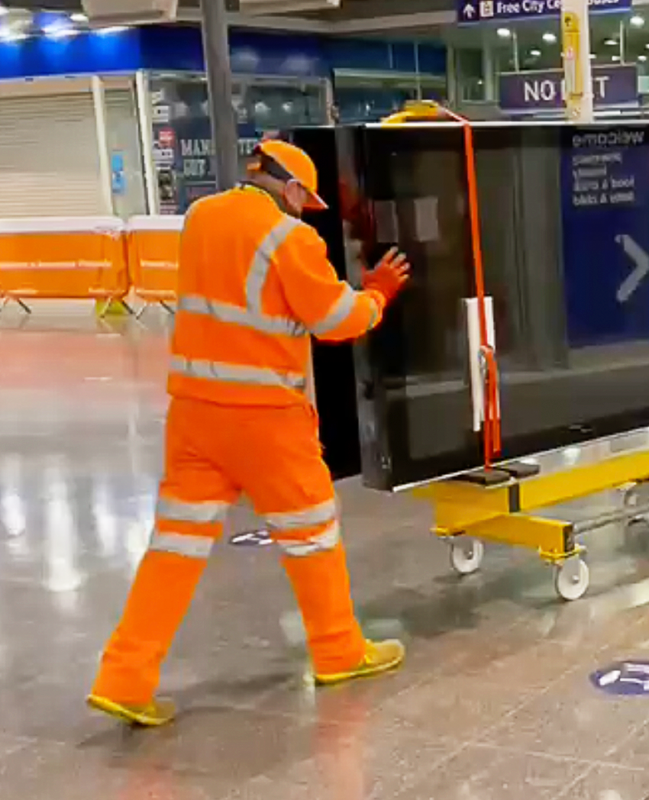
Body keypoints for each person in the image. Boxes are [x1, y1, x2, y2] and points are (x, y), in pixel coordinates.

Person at [88, 139, 411, 727]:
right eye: (303, 200)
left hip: (192, 414)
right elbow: (334, 321)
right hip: (264, 418)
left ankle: (124, 676)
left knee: (174, 548)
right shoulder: (290, 238)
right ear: (289, 189)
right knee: (312, 535)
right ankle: (339, 650)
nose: (304, 211)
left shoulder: (200, 218)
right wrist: (377, 295)